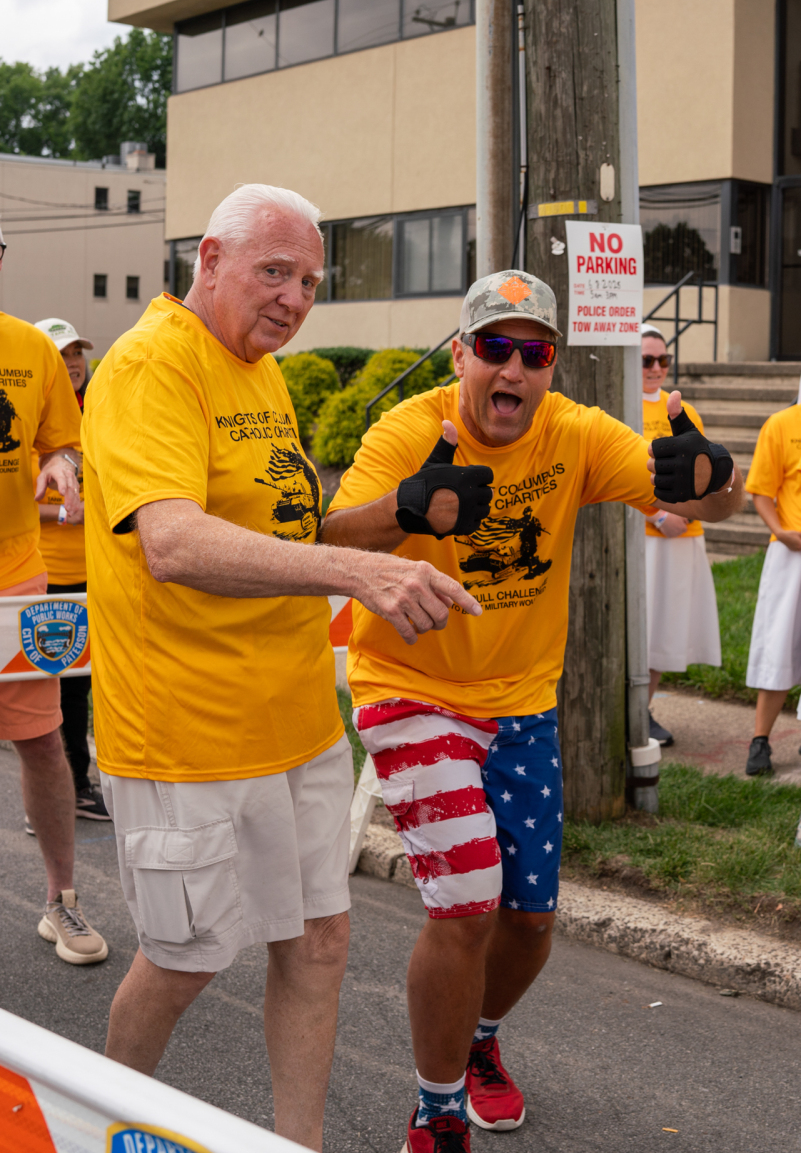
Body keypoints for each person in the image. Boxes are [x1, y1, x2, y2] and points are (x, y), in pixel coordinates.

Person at [81, 184, 479, 1152]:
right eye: (274, 272)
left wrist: (396, 515)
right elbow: (173, 542)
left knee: (319, 944)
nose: (295, 300)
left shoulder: (259, 373)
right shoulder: (151, 365)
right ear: (209, 260)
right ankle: (95, 1127)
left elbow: (288, 536)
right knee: (185, 959)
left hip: (296, 727)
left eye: (309, 282)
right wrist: (358, 575)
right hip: (186, 736)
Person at [321, 270, 742, 1153]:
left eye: (534, 353)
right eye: (494, 347)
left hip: (521, 701)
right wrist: (406, 509)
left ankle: (477, 1038)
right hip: (411, 688)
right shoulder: (409, 429)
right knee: (467, 903)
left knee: (531, 918)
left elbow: (697, 500)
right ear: (461, 354)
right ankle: (437, 1112)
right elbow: (329, 531)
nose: (512, 368)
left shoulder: (573, 433)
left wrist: (716, 480)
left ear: (551, 366)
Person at [0, 226, 108, 965]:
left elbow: (57, 440)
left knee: (42, 740)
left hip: (17, 577)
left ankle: (61, 901)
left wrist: (61, 465)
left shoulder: (31, 348)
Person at [31, 318, 109, 822]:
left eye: (76, 353)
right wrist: (65, 514)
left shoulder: (95, 411)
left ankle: (75, 786)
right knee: (52, 689)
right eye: (61, 356)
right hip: (47, 575)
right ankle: (60, 792)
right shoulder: (30, 420)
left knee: (80, 686)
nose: (73, 363)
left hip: (95, 571)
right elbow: (16, 500)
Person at [641, 324, 721, 748]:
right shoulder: (621, 404)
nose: (656, 368)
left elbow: (701, 468)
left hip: (685, 534)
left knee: (666, 630)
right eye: (646, 360)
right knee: (642, 629)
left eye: (663, 359)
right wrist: (656, 516)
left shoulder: (684, 409)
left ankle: (642, 710)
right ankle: (629, 710)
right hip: (645, 538)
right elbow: (616, 476)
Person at [743, 399, 801, 775]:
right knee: (779, 645)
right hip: (792, 553)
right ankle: (760, 740)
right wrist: (780, 532)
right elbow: (761, 491)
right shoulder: (781, 424)